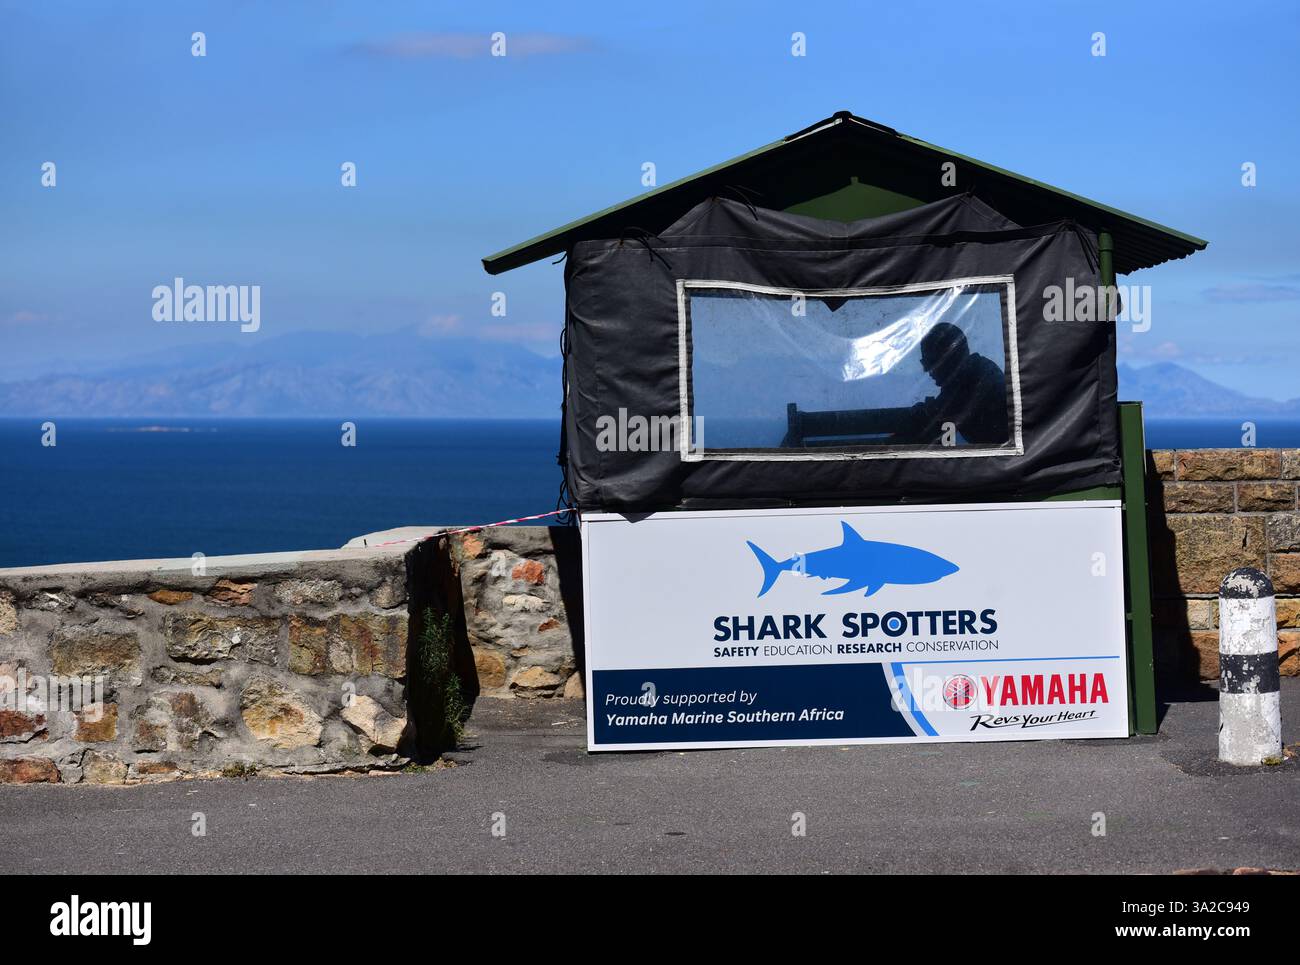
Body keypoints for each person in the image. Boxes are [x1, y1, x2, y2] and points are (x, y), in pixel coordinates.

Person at [904, 323, 1009, 445]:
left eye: (931, 363)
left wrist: (924, 411)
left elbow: (940, 411)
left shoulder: (976, 377)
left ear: (949, 360)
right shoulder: (972, 373)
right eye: (926, 364)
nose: (928, 371)